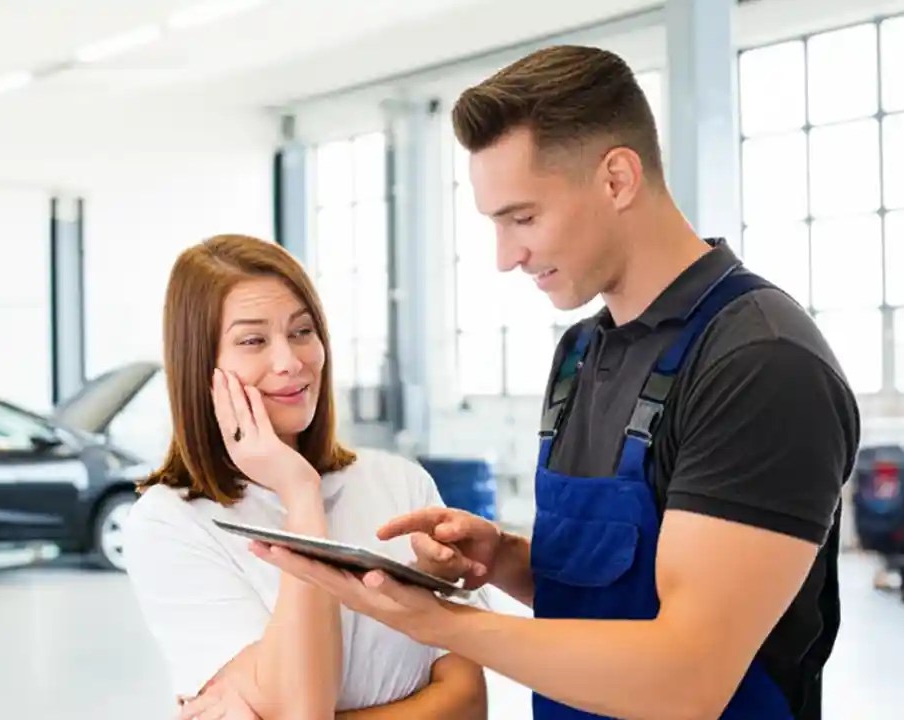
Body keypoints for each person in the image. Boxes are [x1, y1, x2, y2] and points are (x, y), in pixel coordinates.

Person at [252, 45, 860, 720]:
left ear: (618, 179)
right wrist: (505, 558)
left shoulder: (760, 365)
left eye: (523, 218)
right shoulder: (581, 354)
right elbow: (623, 596)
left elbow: (689, 678)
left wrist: (439, 623)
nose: (506, 257)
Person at [124, 234, 488, 719]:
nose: (290, 361)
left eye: (301, 331)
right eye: (253, 341)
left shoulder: (399, 484)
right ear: (200, 366)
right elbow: (301, 707)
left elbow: (467, 703)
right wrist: (301, 495)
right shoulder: (170, 522)